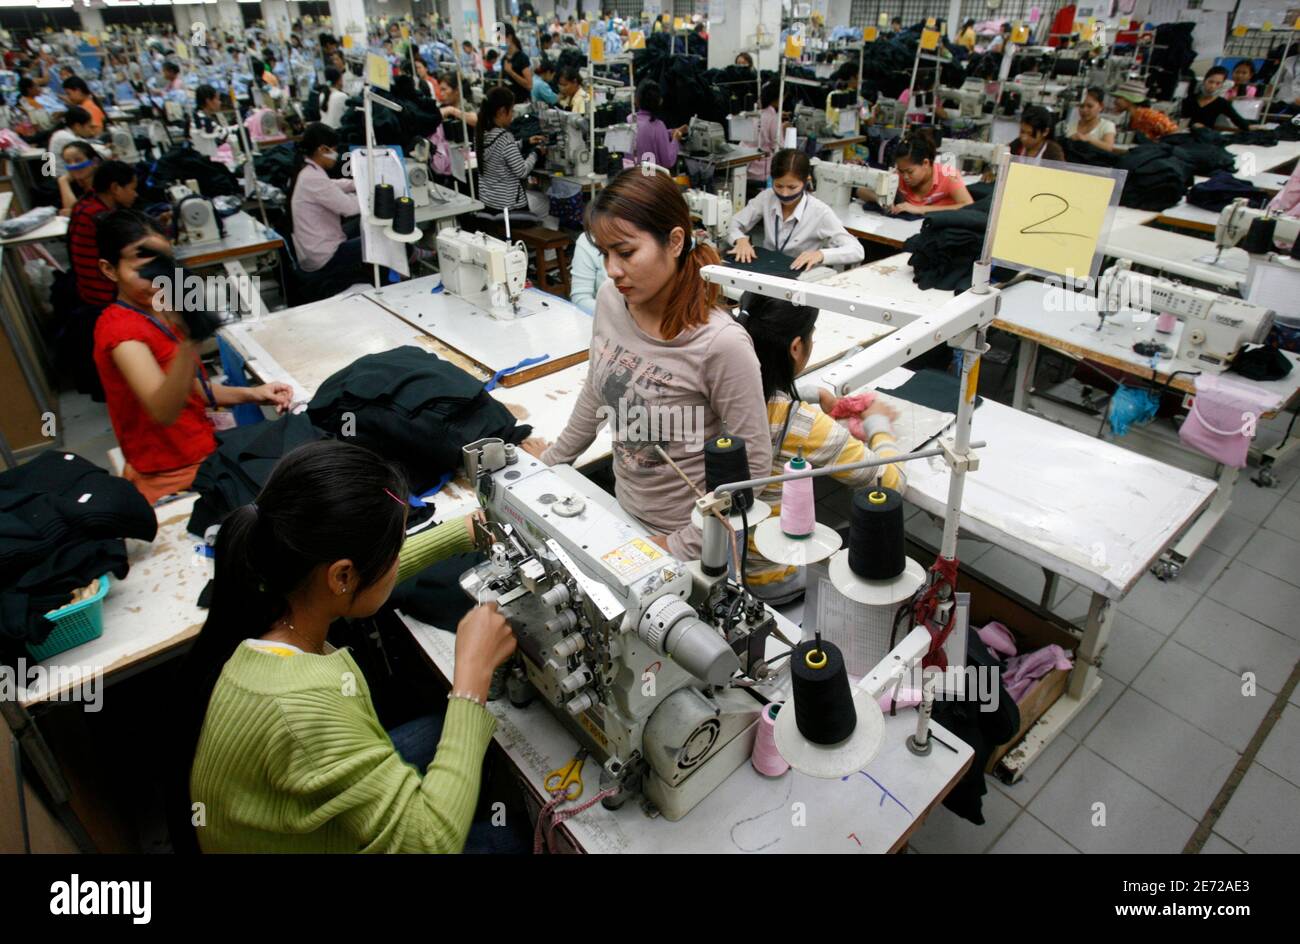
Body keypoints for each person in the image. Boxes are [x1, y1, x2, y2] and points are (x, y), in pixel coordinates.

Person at [175, 439, 521, 853]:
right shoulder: (303, 707)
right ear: (341, 575)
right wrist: (471, 680)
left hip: (287, 818)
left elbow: (355, 583)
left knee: (437, 729)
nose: (396, 558)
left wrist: (457, 535)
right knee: (504, 840)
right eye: (394, 548)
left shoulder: (272, 597)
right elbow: (428, 843)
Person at [528, 170, 771, 559]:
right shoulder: (610, 300)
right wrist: (551, 462)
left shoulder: (721, 344)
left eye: (625, 253)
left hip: (689, 538)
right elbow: (597, 389)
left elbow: (754, 466)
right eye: (604, 253)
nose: (611, 269)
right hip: (621, 511)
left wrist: (680, 545)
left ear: (674, 242)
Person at [92, 210, 292, 503]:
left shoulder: (159, 309)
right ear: (110, 270)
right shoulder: (122, 334)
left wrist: (253, 394)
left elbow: (190, 388)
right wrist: (191, 343)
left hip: (201, 451)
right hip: (171, 474)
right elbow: (163, 409)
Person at [733, 294, 904, 602]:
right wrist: (879, 426)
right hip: (769, 577)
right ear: (796, 347)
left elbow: (764, 390)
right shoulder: (804, 425)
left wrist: (814, 393)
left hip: (727, 560)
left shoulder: (722, 389)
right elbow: (890, 482)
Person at [727, 149, 864, 272]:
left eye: (792, 187)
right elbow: (733, 223)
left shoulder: (820, 212)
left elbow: (857, 250)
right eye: (779, 186)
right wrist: (740, 240)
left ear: (806, 181)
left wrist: (820, 255)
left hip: (799, 275)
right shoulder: (766, 197)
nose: (784, 194)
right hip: (766, 268)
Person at [288, 122, 370, 286]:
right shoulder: (312, 178)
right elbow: (349, 208)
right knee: (380, 239)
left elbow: (333, 184)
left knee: (362, 225)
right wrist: (372, 195)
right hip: (324, 256)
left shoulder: (307, 170)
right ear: (322, 149)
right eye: (334, 149)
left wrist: (358, 183)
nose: (336, 154)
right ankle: (397, 273)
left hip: (316, 248)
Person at [859, 129, 974, 215]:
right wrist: (881, 199)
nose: (905, 177)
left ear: (925, 163)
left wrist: (921, 209)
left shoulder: (948, 174)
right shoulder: (899, 175)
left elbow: (968, 205)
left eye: (910, 172)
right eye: (901, 171)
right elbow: (861, 191)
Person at [476, 86, 549, 216]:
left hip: (489, 204)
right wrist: (536, 153)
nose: (513, 115)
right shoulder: (505, 137)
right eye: (512, 110)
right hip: (510, 209)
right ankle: (535, 234)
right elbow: (522, 171)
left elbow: (501, 150)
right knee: (546, 203)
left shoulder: (481, 134)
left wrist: (525, 142)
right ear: (502, 111)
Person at [633, 81, 686, 170]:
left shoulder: (630, 120)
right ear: (660, 101)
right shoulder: (658, 126)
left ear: (637, 100)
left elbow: (646, 135)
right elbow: (668, 161)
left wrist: (669, 132)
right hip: (651, 178)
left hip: (634, 176)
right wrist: (675, 139)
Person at [743, 82, 782, 200]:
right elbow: (779, 146)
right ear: (778, 98)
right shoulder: (773, 118)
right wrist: (783, 128)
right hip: (762, 175)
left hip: (746, 168)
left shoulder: (752, 112)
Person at [1180, 66, 1250, 132]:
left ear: (1222, 85)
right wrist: (1192, 124)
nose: (1213, 86)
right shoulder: (1190, 99)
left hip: (1205, 136)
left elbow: (1238, 120)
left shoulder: (1221, 103)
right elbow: (1180, 118)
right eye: (1210, 82)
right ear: (1205, 81)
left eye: (1218, 83)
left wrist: (1251, 127)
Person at [48, 106, 108, 174]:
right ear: (78, 126)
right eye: (89, 126)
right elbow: (92, 153)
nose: (91, 131)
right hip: (67, 177)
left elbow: (87, 144)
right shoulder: (65, 137)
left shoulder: (65, 133)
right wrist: (106, 150)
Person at [1112, 80, 1177, 140]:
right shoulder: (1132, 117)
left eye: (1119, 98)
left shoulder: (1150, 116)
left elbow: (1174, 133)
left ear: (1130, 100)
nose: (1115, 101)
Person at [56, 140, 103, 215]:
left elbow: (75, 213)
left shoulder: (106, 183)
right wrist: (63, 181)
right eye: (68, 162)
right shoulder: (69, 185)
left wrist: (76, 213)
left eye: (78, 160)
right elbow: (71, 212)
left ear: (95, 162)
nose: (73, 166)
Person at [568, 232, 607, 315]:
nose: (612, 271)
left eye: (626, 254)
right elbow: (580, 299)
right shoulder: (588, 240)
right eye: (606, 255)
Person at [501, 25, 533, 105]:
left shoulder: (522, 58)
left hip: (522, 103)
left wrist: (511, 72)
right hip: (509, 104)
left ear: (509, 37)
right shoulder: (504, 59)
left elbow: (529, 85)